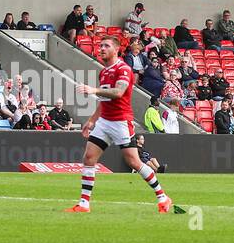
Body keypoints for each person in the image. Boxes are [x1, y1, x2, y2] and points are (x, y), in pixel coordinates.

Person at [67, 33, 173, 214]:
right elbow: (105, 99)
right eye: (100, 46)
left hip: (121, 122)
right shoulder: (104, 71)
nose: (102, 49)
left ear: (116, 49)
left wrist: (92, 90)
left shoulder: (123, 69)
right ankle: (84, 204)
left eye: (106, 46)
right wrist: (92, 120)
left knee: (134, 162)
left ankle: (163, 197)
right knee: (89, 157)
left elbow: (119, 92)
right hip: (104, 122)